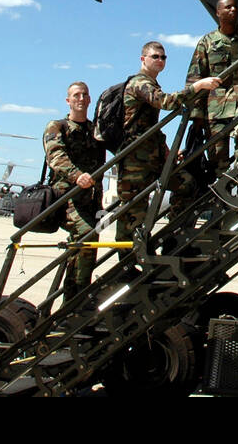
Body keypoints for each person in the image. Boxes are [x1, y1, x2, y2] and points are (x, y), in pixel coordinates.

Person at [117, 42, 220, 244]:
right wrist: (197, 86)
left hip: (153, 158)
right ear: (143, 59)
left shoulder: (152, 84)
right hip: (135, 162)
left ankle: (174, 235)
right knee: (133, 213)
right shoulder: (139, 84)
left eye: (163, 57)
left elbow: (151, 128)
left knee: (188, 185)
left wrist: (167, 152)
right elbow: (165, 102)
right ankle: (127, 264)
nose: (160, 61)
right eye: (155, 56)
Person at [43, 81, 104, 302]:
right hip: (66, 197)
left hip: (93, 200)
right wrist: (77, 176)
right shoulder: (57, 127)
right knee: (87, 234)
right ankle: (76, 298)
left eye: (84, 95)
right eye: (76, 95)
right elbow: (56, 156)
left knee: (91, 242)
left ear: (89, 100)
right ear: (68, 100)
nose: (80, 98)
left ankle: (75, 297)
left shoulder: (94, 131)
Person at [186, 0, 238, 170]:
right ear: (218, 12)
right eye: (228, 8)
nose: (233, 10)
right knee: (217, 158)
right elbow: (195, 77)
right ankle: (221, 193)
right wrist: (197, 115)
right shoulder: (207, 42)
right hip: (216, 105)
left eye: (235, 7)